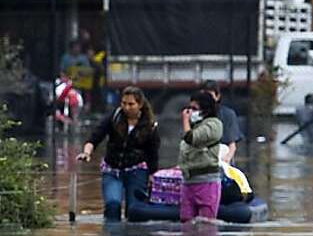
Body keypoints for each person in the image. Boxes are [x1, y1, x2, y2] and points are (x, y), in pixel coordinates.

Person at [77, 85, 160, 220]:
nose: (126, 108)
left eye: (131, 104)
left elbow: (153, 154)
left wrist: (152, 176)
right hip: (112, 170)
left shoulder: (150, 125)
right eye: (124, 103)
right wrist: (87, 153)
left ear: (140, 105)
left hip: (137, 171)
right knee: (113, 205)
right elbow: (95, 137)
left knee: (135, 211)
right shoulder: (114, 117)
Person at [178, 90, 224, 223]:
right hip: (189, 182)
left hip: (207, 182)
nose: (190, 112)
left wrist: (185, 121)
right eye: (189, 108)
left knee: (205, 223)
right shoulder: (193, 126)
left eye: (194, 109)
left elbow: (191, 138)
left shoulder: (214, 125)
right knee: (186, 222)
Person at [200, 80, 243, 163]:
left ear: (217, 97)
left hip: (223, 159)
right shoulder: (195, 115)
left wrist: (227, 158)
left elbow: (232, 145)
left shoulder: (228, 114)